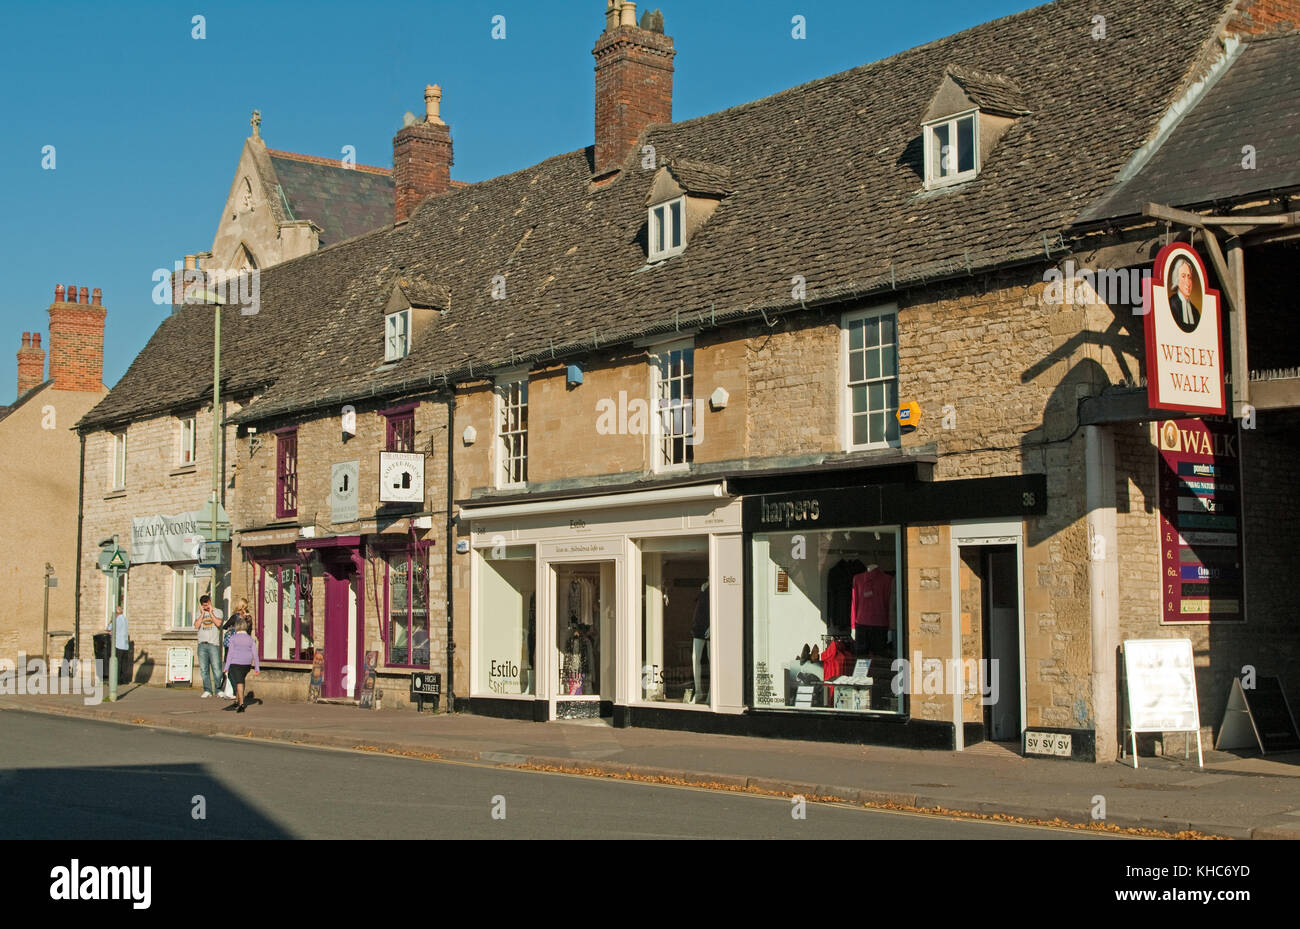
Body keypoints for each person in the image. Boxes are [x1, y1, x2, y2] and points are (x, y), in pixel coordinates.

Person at [222, 616, 260, 713]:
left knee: (238, 683)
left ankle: (241, 704)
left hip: (235, 663)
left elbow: (230, 654)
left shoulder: (233, 638)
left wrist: (226, 667)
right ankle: (236, 701)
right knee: (241, 681)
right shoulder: (250, 639)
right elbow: (255, 654)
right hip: (246, 664)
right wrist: (257, 668)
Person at [194, 594, 224, 698]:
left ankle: (218, 689)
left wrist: (210, 612)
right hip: (202, 644)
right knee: (204, 669)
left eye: (207, 605)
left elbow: (219, 623)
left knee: (217, 669)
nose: (206, 607)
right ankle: (207, 690)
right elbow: (196, 626)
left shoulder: (218, 611)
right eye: (204, 605)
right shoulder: (199, 613)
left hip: (213, 644)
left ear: (210, 602)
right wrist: (202, 614)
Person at [1168, 255, 1201, 334]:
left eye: (1189, 277)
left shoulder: (1195, 312)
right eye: (1183, 276)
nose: (1187, 282)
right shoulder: (1170, 305)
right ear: (1176, 279)